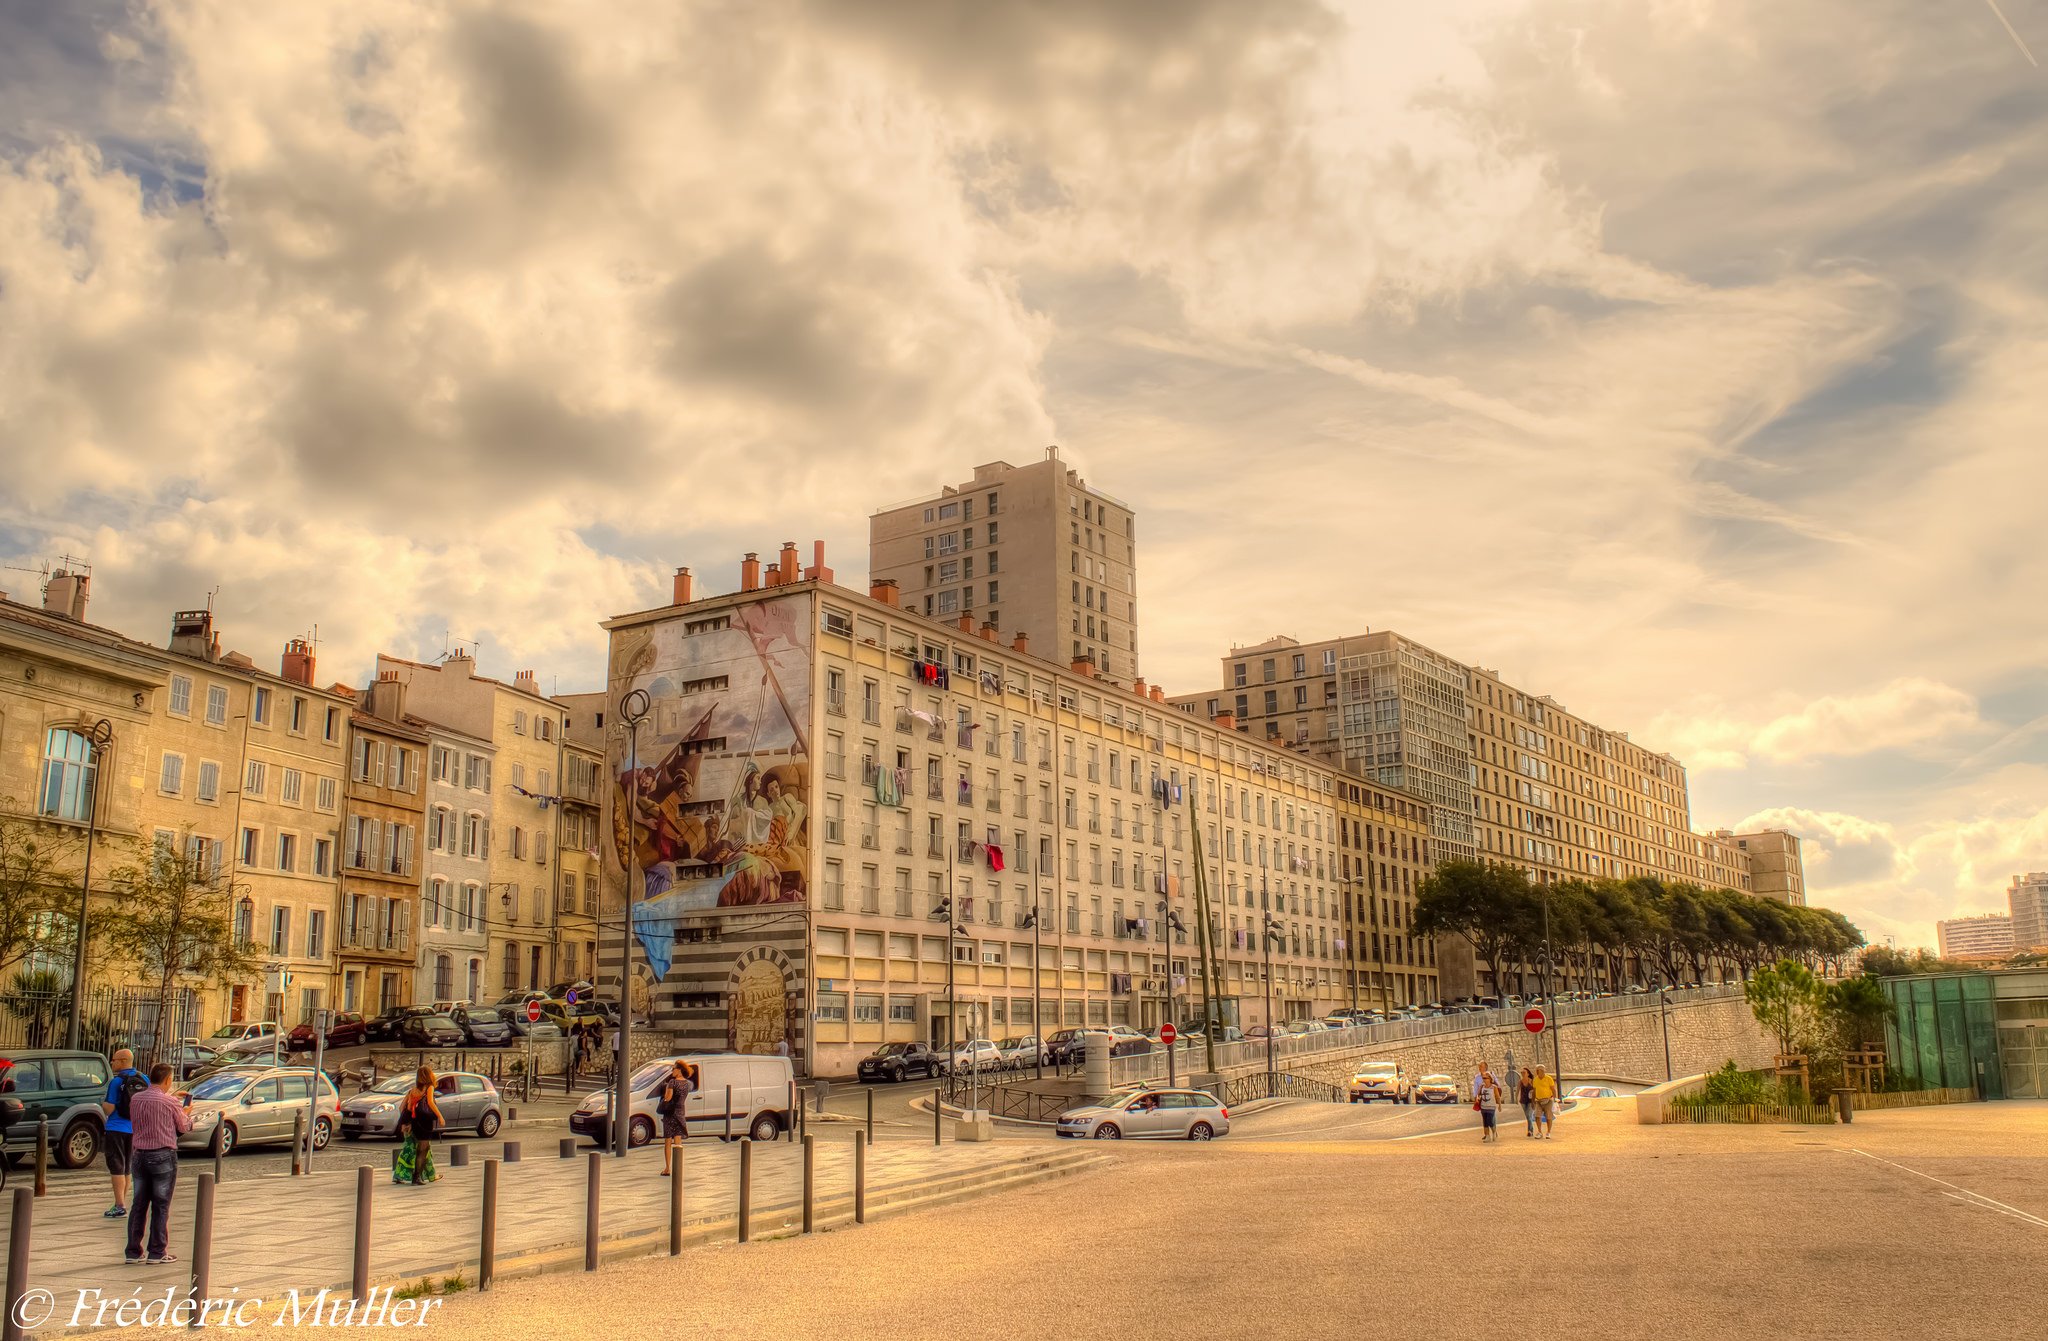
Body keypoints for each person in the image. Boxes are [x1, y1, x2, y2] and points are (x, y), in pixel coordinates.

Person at [125, 1063, 190, 1264]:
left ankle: (133, 1252)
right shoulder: (170, 1102)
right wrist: (186, 1112)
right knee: (161, 1205)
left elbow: (152, 1108)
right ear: (168, 1079)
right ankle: (157, 1251)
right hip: (163, 1155)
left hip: (139, 1155)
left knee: (138, 1204)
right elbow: (183, 1127)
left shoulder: (136, 1098)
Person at [101, 1048, 145, 1220]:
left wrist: (103, 1104)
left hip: (116, 1128)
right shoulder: (144, 1079)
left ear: (123, 1061)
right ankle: (121, 1202)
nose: (112, 1062)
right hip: (135, 1129)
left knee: (116, 1166)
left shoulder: (116, 1081)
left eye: (114, 1060)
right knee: (127, 1167)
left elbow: (109, 1108)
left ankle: (119, 1205)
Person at [394, 1067, 444, 1185]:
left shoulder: (412, 1090)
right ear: (429, 1075)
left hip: (414, 1123)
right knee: (422, 1150)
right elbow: (430, 1102)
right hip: (425, 1123)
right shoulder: (429, 1087)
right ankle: (416, 1177)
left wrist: (407, 1122)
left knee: (417, 1149)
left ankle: (419, 1176)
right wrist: (440, 1116)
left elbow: (402, 1108)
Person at [657, 1060, 696, 1175]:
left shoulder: (672, 1082)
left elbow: (668, 1098)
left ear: (679, 1070)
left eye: (674, 1069)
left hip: (670, 1113)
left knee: (668, 1140)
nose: (672, 1071)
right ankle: (677, 1167)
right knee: (678, 1141)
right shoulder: (687, 1083)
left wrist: (665, 1094)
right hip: (680, 1112)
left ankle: (667, 1168)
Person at [1472, 1064, 1502, 1143]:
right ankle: (1487, 1136)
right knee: (1485, 1122)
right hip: (1483, 1106)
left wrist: (1499, 1106)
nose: (1484, 1079)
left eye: (1485, 1078)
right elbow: (1478, 1094)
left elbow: (1498, 1097)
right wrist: (1477, 1098)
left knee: (1490, 1121)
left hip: (1491, 1107)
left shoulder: (1494, 1087)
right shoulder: (1482, 1086)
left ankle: (1494, 1132)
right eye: (1483, 1078)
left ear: (1490, 1079)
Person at [1532, 1065, 1559, 1139]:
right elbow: (1534, 1091)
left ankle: (1548, 1132)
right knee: (1537, 1116)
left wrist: (1555, 1099)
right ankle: (1539, 1132)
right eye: (1537, 1070)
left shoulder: (1549, 1078)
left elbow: (1553, 1089)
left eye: (1539, 1070)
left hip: (1548, 1100)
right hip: (1538, 1100)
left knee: (1548, 1117)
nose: (1538, 1072)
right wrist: (1532, 1101)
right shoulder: (1535, 1080)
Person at [1518, 1067, 1537, 1139]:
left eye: (1524, 1072)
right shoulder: (1520, 1081)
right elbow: (1518, 1090)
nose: (1522, 1074)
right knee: (1527, 1116)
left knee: (1529, 1115)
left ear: (1528, 1074)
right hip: (1523, 1100)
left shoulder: (1532, 1081)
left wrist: (1534, 1100)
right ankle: (1530, 1129)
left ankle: (1530, 1131)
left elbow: (1535, 1090)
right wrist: (1516, 1099)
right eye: (1522, 1072)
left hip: (1530, 1100)